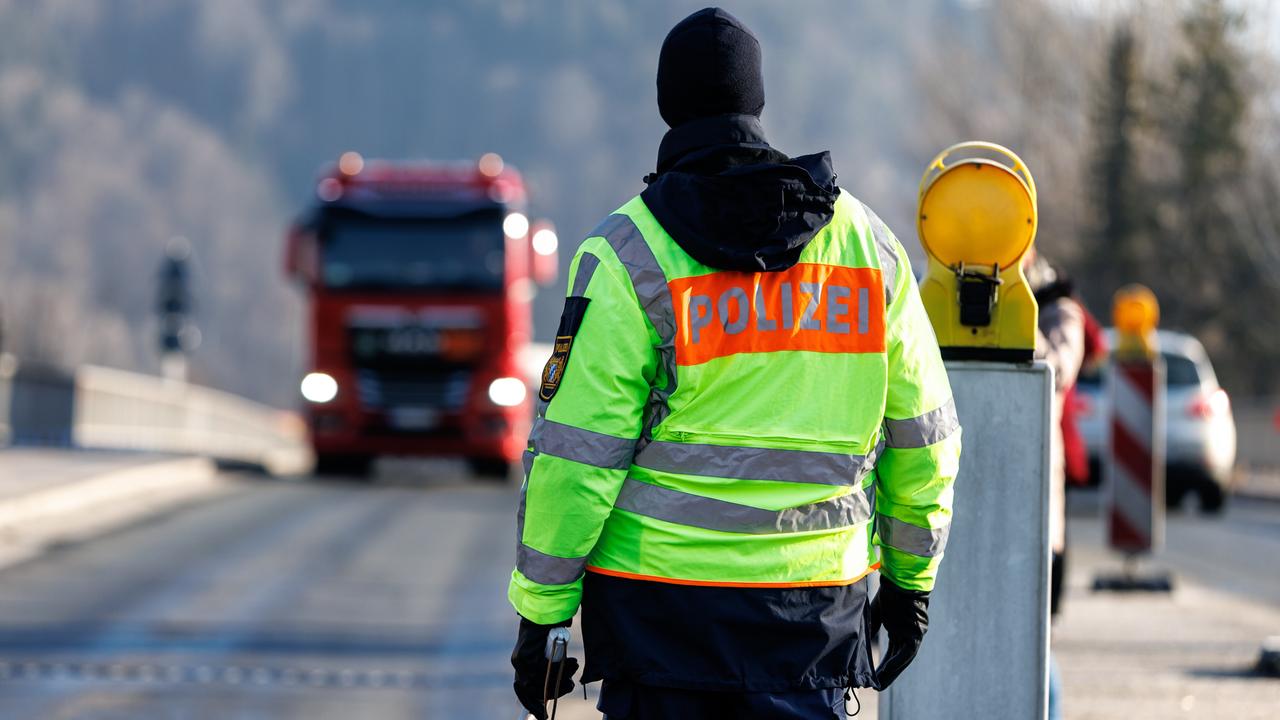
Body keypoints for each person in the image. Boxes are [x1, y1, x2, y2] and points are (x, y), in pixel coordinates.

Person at [509, 8, 961, 719]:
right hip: (812, 622)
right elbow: (924, 437)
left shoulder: (629, 254)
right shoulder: (867, 250)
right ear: (758, 100)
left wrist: (542, 614)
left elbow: (577, 458)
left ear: (667, 104)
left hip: (660, 624)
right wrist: (910, 586)